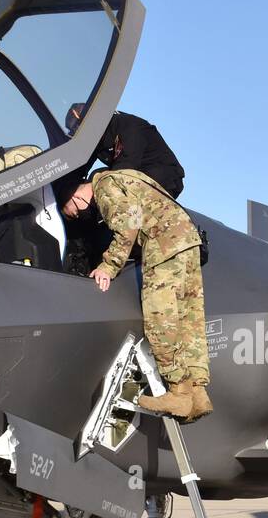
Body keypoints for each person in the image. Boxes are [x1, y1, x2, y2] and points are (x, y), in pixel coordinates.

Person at [60, 105, 210, 422]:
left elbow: (129, 225)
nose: (80, 216)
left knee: (160, 316)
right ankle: (197, 392)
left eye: (73, 212)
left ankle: (179, 395)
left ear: (77, 195)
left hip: (163, 242)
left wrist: (108, 266)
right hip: (187, 238)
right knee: (188, 319)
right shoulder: (125, 179)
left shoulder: (108, 185)